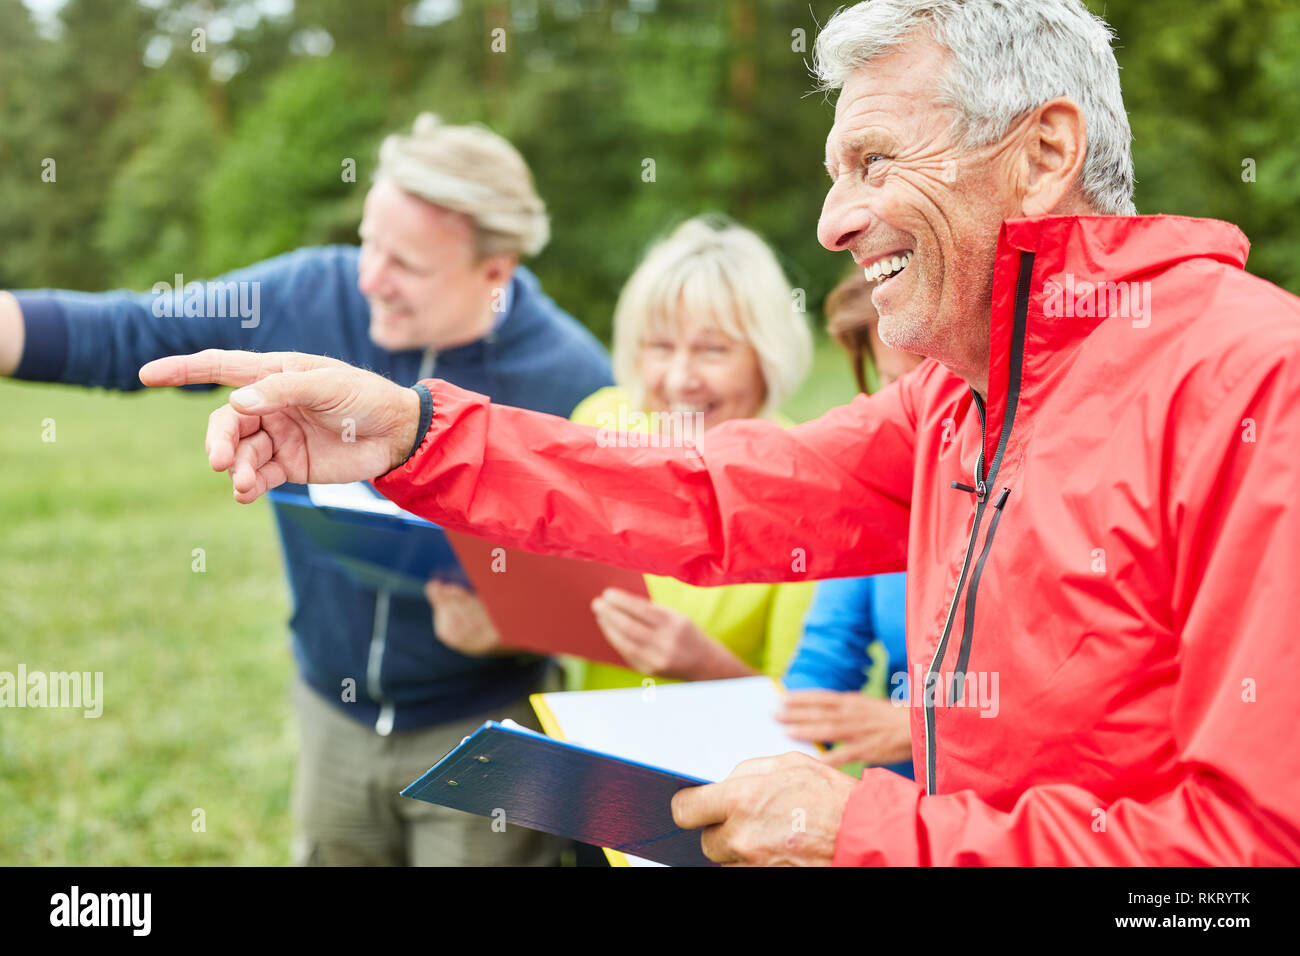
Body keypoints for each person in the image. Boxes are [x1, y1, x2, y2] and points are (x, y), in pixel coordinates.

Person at [141, 0, 1300, 866]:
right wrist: (411, 433)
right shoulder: (964, 395)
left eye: (874, 161)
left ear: (1043, 153)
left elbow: (1245, 857)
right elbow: (706, 491)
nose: (834, 218)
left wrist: (867, 828)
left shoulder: (1254, 379)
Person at [0, 114, 612, 866]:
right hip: (334, 714)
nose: (367, 279)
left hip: (487, 729)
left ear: (496, 269)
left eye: (405, 265)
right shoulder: (308, 294)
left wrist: (517, 627)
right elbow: (134, 330)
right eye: (367, 242)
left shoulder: (574, 380)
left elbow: (610, 590)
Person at [428, 215, 815, 689]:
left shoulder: (801, 484)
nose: (678, 379)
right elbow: (567, 604)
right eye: (660, 347)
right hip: (592, 746)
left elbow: (808, 713)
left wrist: (704, 667)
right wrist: (502, 630)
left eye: (712, 351)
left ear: (767, 357)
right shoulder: (599, 421)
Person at [778, 269, 923, 778]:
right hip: (902, 817)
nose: (910, 413)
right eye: (892, 387)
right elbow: (827, 655)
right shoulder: (884, 490)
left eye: (930, 382)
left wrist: (926, 726)